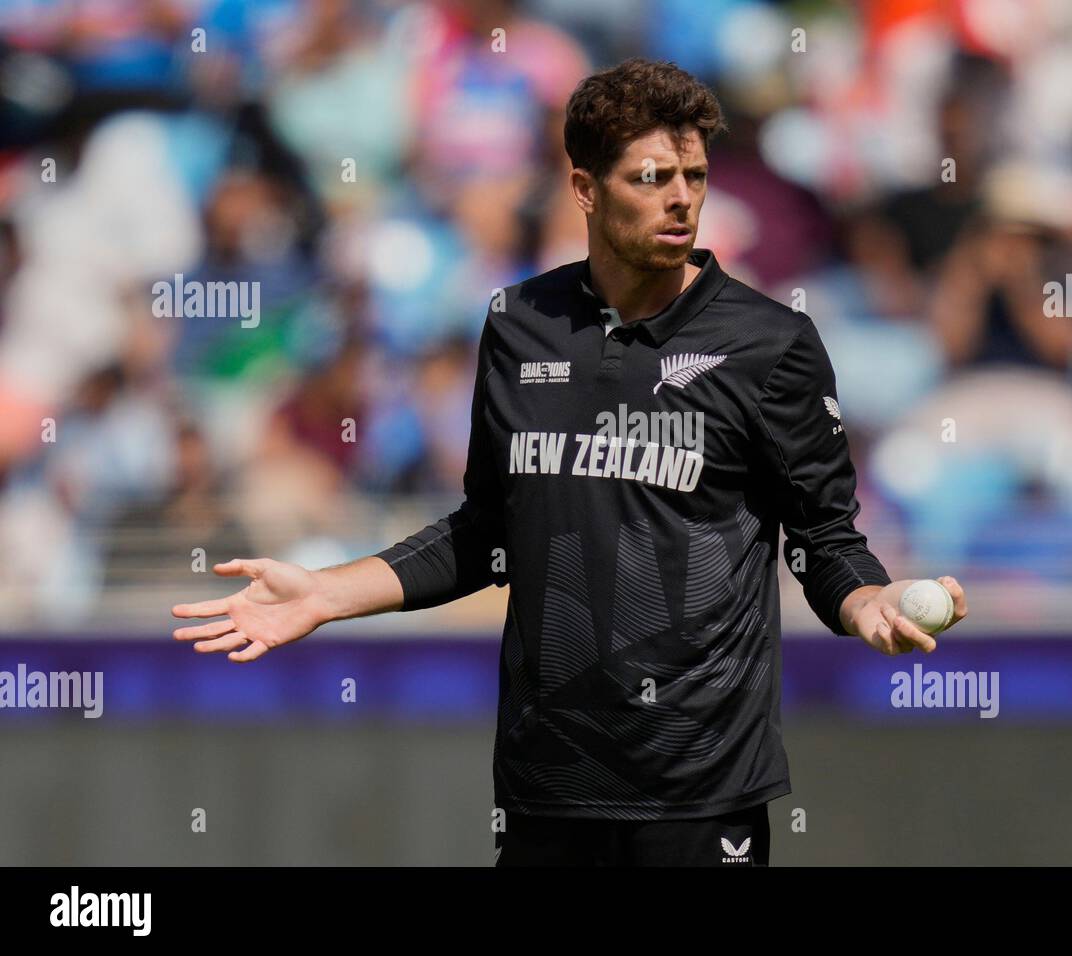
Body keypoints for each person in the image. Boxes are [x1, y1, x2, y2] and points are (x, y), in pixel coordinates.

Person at [173, 57, 969, 866]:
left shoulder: (771, 345)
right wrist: (327, 591)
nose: (681, 197)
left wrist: (866, 600)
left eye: (693, 175)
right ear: (586, 190)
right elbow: (488, 532)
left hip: (700, 796)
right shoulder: (519, 326)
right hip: (546, 789)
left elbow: (824, 538)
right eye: (653, 176)